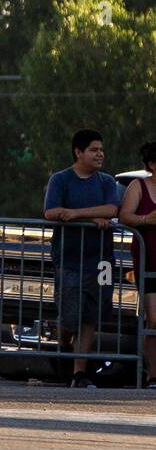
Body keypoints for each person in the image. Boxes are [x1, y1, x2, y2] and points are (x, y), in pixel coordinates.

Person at [44, 128, 122, 389]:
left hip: (101, 261)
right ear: (79, 152)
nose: (99, 154)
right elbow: (52, 212)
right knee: (69, 317)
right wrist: (90, 217)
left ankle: (79, 372)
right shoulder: (61, 180)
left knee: (91, 316)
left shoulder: (107, 182)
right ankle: (63, 345)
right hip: (69, 258)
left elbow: (112, 209)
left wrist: (77, 214)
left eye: (101, 149)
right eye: (93, 150)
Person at [118, 141, 156, 389]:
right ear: (152, 164)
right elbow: (124, 216)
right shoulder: (138, 186)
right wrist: (146, 219)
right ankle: (153, 374)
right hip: (150, 259)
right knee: (154, 319)